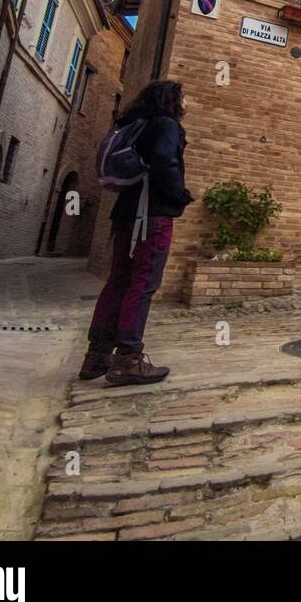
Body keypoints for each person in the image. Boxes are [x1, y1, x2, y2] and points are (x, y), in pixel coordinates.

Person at [79, 79, 194, 385]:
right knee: (143, 283)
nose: (187, 103)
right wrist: (178, 196)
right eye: (184, 98)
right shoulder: (165, 125)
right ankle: (128, 359)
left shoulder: (135, 124)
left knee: (118, 281)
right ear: (171, 100)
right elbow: (165, 162)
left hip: (126, 215)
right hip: (152, 216)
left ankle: (97, 356)